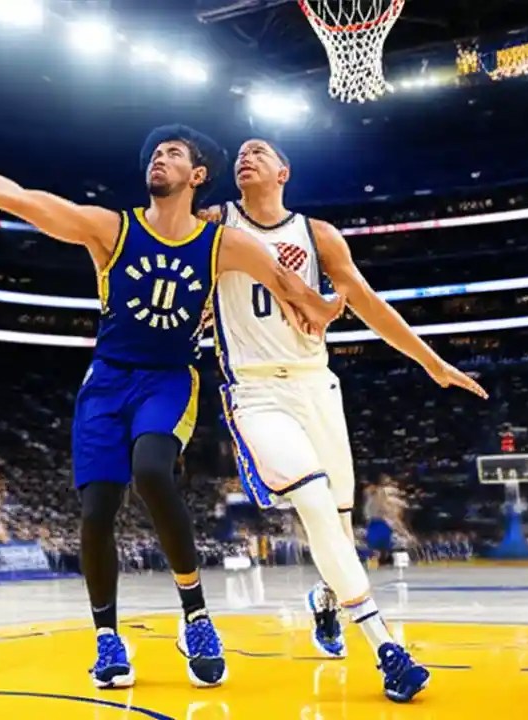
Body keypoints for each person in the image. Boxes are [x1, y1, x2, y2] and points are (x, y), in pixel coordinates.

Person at [0, 124, 343, 690]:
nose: (159, 159)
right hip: (107, 383)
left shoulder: (221, 244)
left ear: (198, 175)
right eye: (155, 154)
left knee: (153, 470)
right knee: (97, 511)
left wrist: (322, 306)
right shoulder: (112, 228)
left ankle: (196, 616)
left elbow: (284, 281)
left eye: (173, 154)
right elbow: (15, 198)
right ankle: (107, 636)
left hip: (168, 380)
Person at [198, 138, 488, 703]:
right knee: (310, 500)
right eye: (240, 152)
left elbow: (369, 304)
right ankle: (387, 647)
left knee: (336, 522)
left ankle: (326, 600)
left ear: (284, 170)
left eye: (260, 151)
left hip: (317, 389)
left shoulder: (318, 235)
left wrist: (432, 363)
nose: (246, 155)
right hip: (255, 390)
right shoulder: (215, 221)